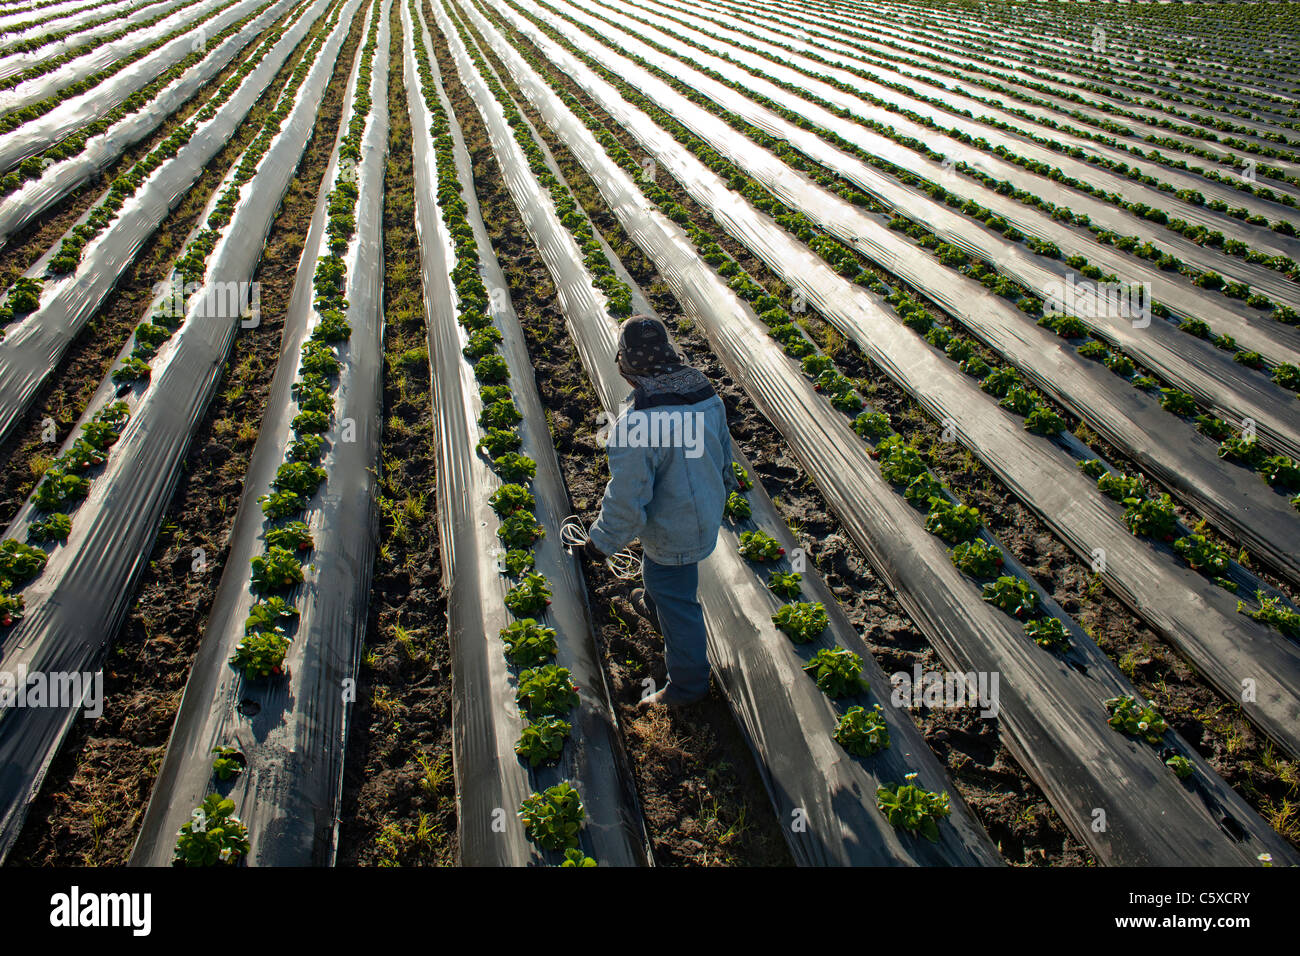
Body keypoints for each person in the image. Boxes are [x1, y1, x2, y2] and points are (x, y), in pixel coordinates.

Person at [581, 314, 737, 708]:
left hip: (675, 526)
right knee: (662, 579)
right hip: (703, 507)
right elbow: (724, 455)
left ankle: (687, 687)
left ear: (628, 363)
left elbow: (627, 501)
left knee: (677, 599)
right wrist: (722, 491)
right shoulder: (703, 391)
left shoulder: (637, 423)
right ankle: (655, 605)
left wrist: (600, 543)